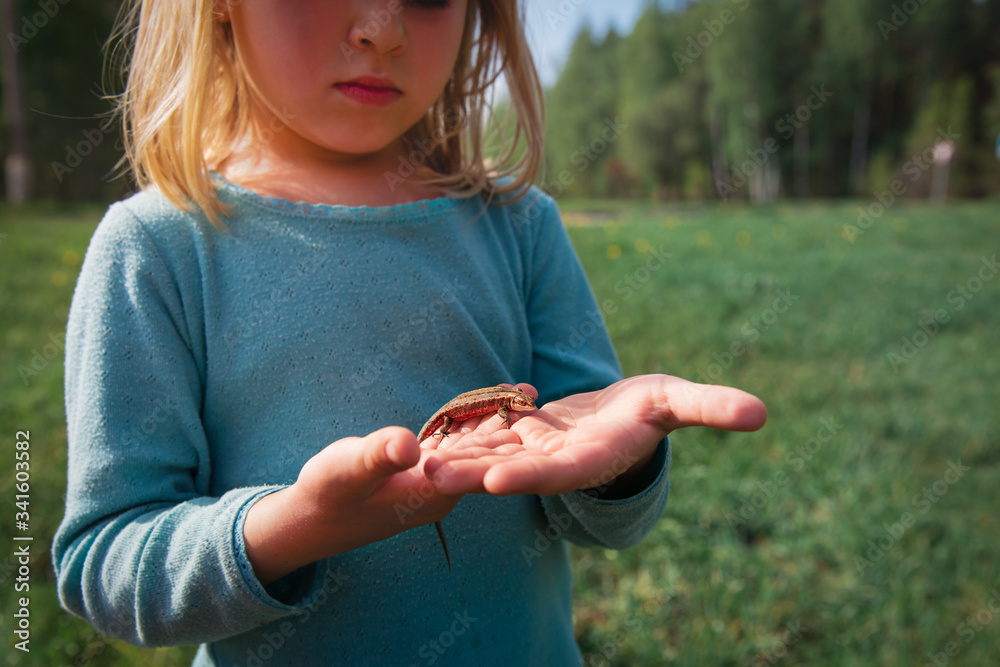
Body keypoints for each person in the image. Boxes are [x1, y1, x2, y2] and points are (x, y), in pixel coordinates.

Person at [53, 1, 767, 665]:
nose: (381, 28)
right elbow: (106, 561)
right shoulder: (155, 247)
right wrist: (298, 524)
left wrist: (621, 468)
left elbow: (590, 486)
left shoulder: (519, 224)